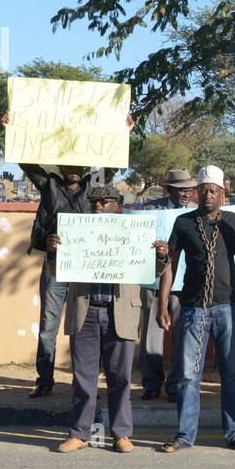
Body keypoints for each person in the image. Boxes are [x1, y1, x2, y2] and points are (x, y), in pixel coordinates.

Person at [1, 111, 134, 398]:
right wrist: (11, 130)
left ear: (84, 165)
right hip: (55, 265)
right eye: (68, 163)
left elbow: (111, 164)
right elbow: (26, 161)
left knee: (85, 323)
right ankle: (45, 380)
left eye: (78, 163)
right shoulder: (49, 185)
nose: (73, 168)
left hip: (86, 269)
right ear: (60, 164)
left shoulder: (93, 186)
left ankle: (84, 381)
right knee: (49, 323)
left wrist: (124, 133)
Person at [53, 187, 168, 453]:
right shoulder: (75, 232)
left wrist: (160, 257)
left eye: (103, 202)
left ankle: (121, 434)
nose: (96, 206)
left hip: (121, 312)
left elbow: (150, 270)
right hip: (86, 310)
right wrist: (53, 252)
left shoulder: (132, 233)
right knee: (83, 377)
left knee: (121, 378)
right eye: (93, 202)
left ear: (116, 206)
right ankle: (80, 433)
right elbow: (55, 268)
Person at [157, 165, 235, 452]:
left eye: (214, 191)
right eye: (204, 190)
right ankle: (185, 435)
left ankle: (234, 433)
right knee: (189, 375)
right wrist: (162, 304)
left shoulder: (233, 222)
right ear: (197, 192)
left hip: (227, 306)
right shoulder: (184, 222)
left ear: (223, 193)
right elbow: (170, 266)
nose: (209, 195)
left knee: (230, 373)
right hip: (192, 308)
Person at [138, 168, 197, 402]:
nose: (186, 194)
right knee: (151, 336)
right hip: (153, 280)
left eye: (189, 190)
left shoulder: (196, 213)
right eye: (181, 190)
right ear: (169, 190)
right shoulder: (151, 210)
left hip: (184, 282)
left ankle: (175, 385)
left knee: (183, 335)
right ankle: (151, 383)